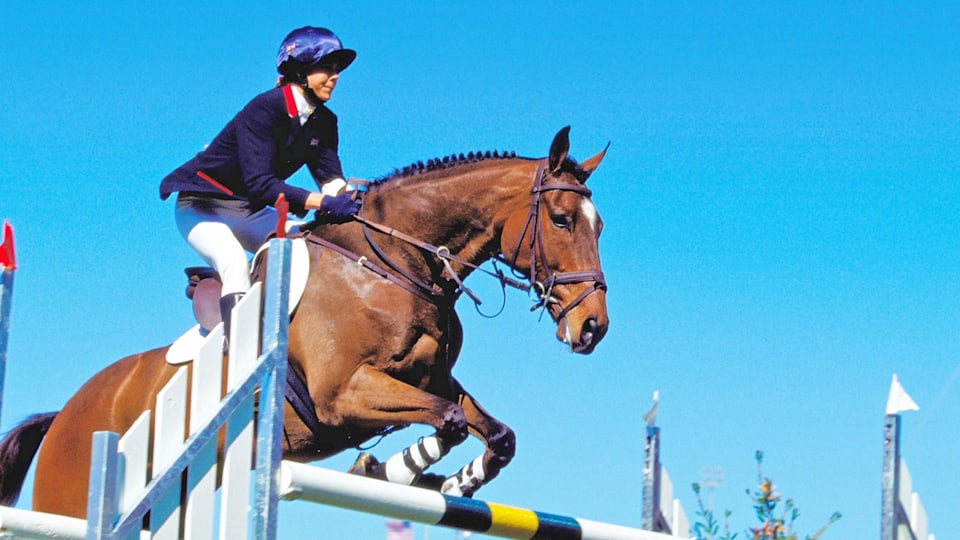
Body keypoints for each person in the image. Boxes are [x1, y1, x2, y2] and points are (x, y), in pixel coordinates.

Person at [160, 26, 361, 337]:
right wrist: (324, 203)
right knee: (234, 262)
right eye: (326, 68)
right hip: (202, 205)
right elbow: (262, 184)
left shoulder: (325, 121)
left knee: (310, 244)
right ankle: (235, 349)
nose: (335, 77)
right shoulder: (265, 108)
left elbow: (331, 179)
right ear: (300, 70)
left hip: (247, 209)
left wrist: (354, 199)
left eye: (337, 70)